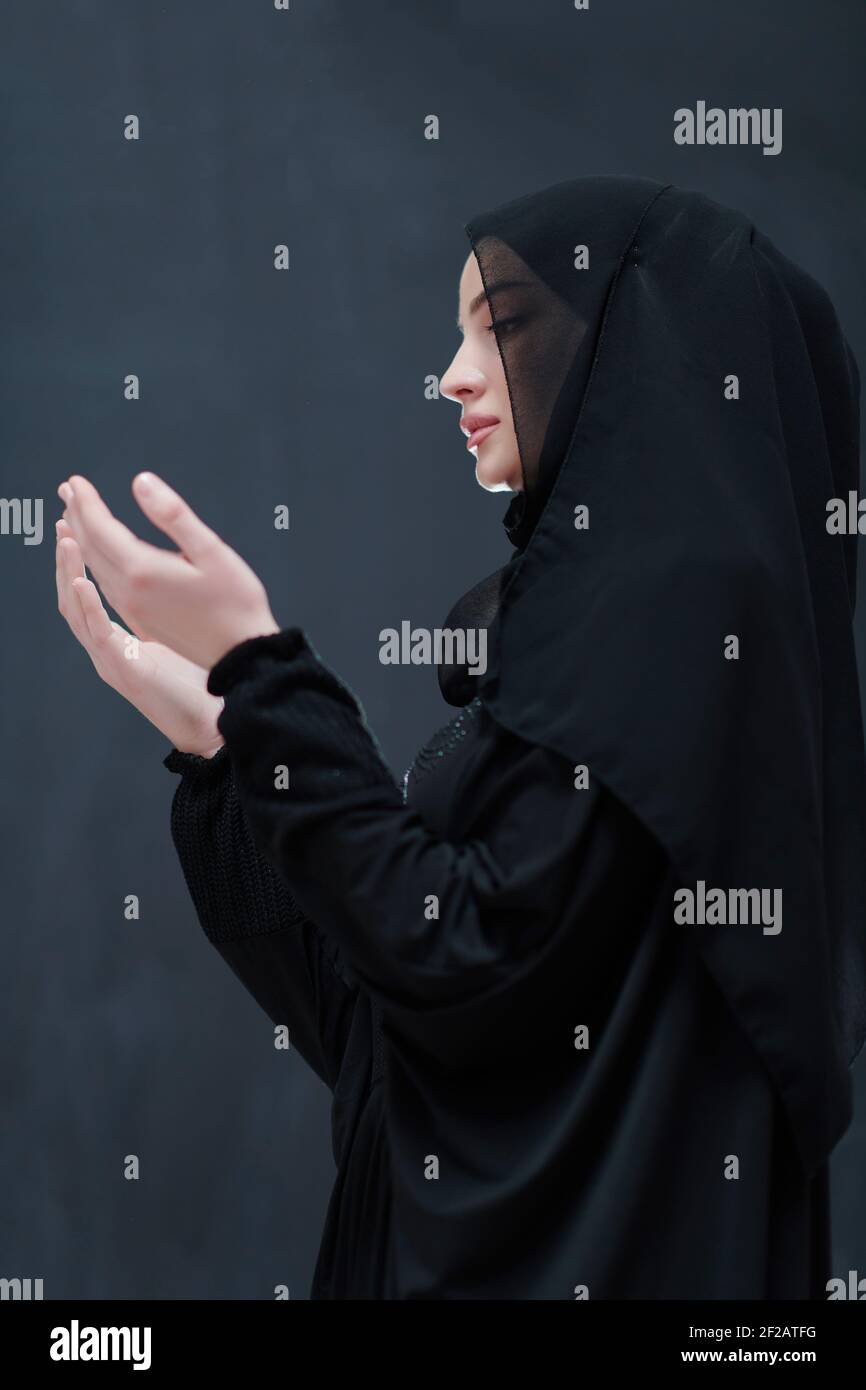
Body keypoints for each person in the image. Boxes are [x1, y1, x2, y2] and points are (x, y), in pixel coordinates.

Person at [55, 176, 866, 1299]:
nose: (451, 376)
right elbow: (396, 1031)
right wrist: (228, 741)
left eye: (503, 323)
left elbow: (459, 956)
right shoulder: (590, 626)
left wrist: (266, 673)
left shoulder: (676, 612)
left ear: (637, 343)